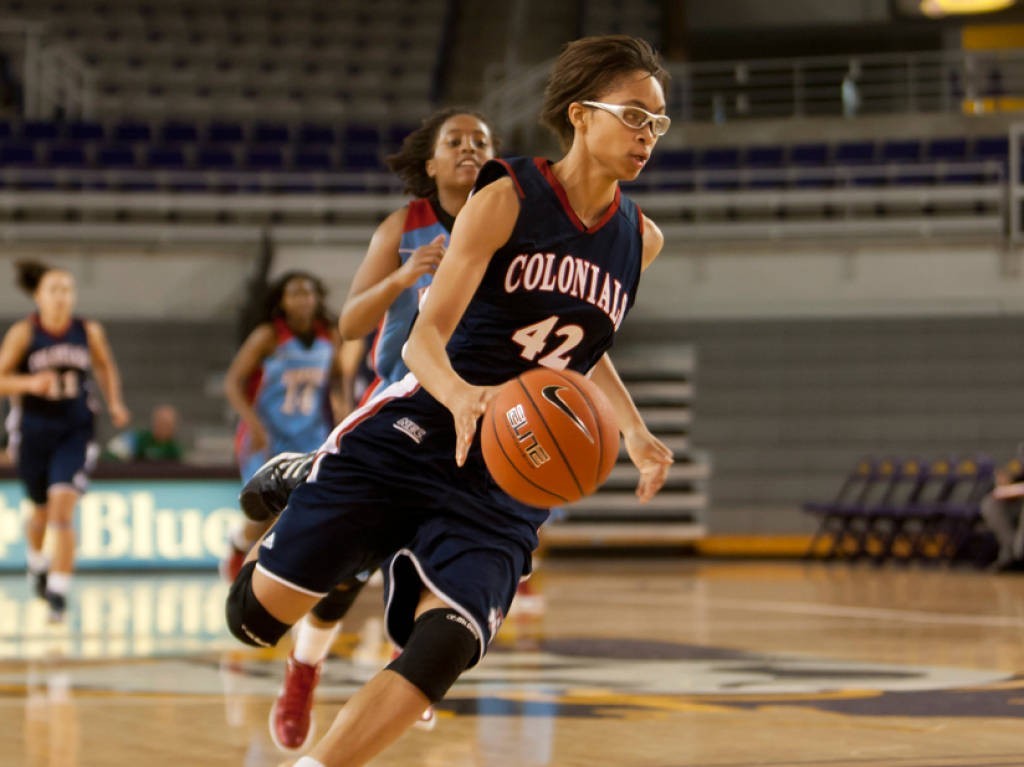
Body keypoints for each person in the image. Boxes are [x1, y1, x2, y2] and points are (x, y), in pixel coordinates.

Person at [224, 34, 674, 767]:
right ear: (580, 115)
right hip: (424, 422)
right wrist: (467, 398)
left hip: (508, 466)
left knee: (451, 641)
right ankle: (308, 477)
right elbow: (422, 338)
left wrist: (635, 430)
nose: (646, 135)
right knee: (250, 621)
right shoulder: (508, 196)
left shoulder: (641, 238)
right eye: (633, 115)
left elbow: (580, 347)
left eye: (657, 122)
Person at [251, 107, 499, 752]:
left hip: (467, 413)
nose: (470, 149)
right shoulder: (403, 226)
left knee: (432, 554)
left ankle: (410, 664)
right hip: (394, 408)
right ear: (431, 163)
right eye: (456, 141)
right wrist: (403, 275)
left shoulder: (508, 223)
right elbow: (353, 324)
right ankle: (303, 671)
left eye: (482, 141)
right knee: (345, 574)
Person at [0, 260, 130, 622]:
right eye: (53, 290)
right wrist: (29, 384)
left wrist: (115, 402)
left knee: (62, 506)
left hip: (75, 429)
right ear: (38, 296)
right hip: (32, 430)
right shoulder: (24, 333)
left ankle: (58, 589)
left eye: (67, 289)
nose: (61, 297)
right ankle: (36, 561)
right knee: (40, 511)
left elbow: (104, 365)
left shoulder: (88, 330)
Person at [221, 270, 347, 581]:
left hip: (310, 433)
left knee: (304, 508)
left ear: (317, 298)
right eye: (295, 293)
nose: (303, 299)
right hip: (266, 435)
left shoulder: (329, 335)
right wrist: (254, 424)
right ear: (282, 302)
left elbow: (339, 376)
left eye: (308, 292)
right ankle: (239, 545)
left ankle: (278, 573)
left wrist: (342, 408)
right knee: (264, 511)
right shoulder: (268, 336)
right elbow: (232, 383)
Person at [981, 451, 1024, 571]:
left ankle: (1019, 552)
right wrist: (1005, 479)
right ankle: (1011, 552)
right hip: (1014, 502)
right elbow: (1003, 479)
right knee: (990, 504)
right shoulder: (1018, 464)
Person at [105, 403, 184, 461]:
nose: (163, 428)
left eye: (167, 425)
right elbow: (111, 453)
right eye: (160, 423)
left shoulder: (175, 447)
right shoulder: (138, 438)